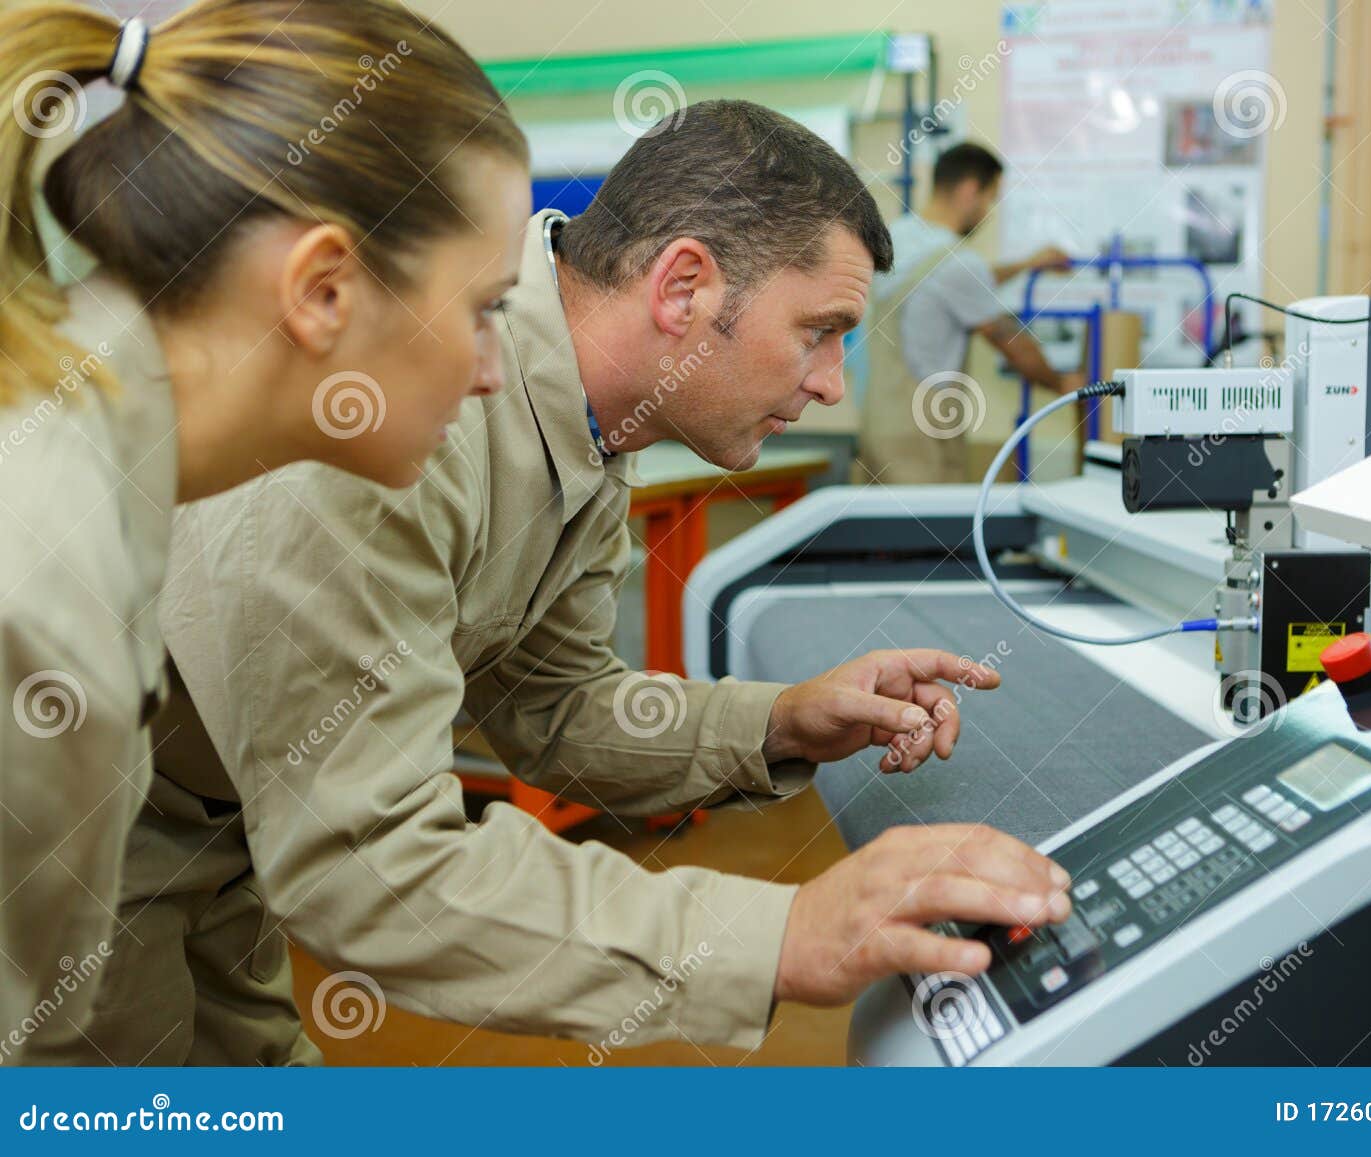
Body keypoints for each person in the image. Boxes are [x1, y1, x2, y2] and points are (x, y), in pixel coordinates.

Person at [66, 101, 1074, 1065]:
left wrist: (780, 721)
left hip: (213, 830)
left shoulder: (590, 422)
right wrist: (784, 930)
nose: (830, 384)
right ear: (684, 289)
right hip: (79, 830)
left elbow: (550, 705)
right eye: (818, 329)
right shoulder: (407, 418)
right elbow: (371, 866)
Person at [0, 0, 532, 1063]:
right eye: (484, 307)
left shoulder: (98, 464)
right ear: (324, 289)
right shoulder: (45, 596)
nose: (486, 371)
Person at [859, 141, 1084, 484]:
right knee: (929, 534)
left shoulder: (897, 237)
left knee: (888, 532)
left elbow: (951, 287)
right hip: (920, 432)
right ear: (969, 190)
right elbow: (1011, 342)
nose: (988, 212)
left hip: (878, 422)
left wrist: (1028, 264)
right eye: (990, 198)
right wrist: (1063, 383)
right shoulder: (960, 263)